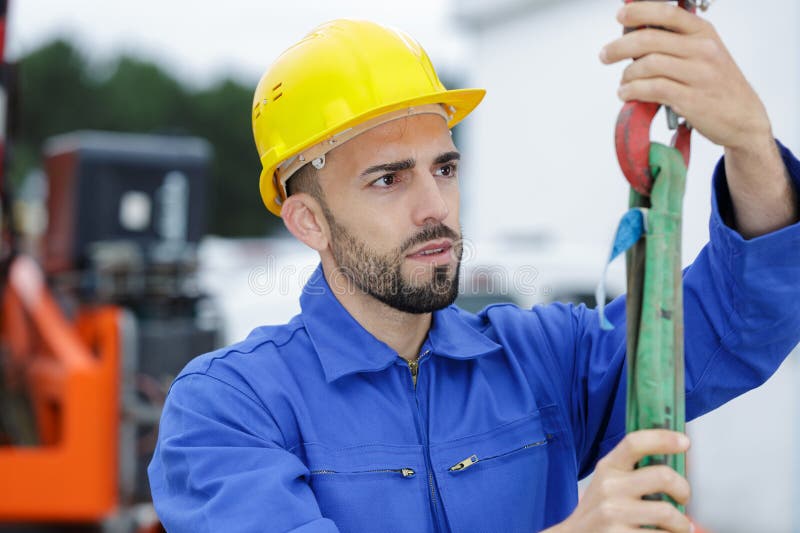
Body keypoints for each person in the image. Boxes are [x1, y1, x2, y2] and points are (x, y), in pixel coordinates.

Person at [148, 3, 800, 532]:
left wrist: (748, 144)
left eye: (445, 167)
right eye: (387, 179)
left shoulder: (542, 361)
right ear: (307, 222)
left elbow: (736, 323)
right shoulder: (228, 408)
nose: (435, 208)